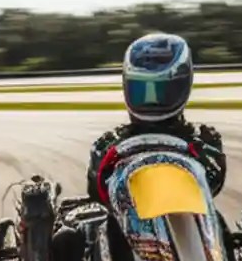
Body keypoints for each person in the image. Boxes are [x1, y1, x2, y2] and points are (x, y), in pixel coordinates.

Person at [85, 33, 226, 204]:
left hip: (192, 216)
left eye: (162, 91)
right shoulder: (107, 145)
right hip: (123, 218)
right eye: (141, 90)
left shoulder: (203, 142)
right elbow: (96, 197)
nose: (151, 101)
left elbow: (212, 184)